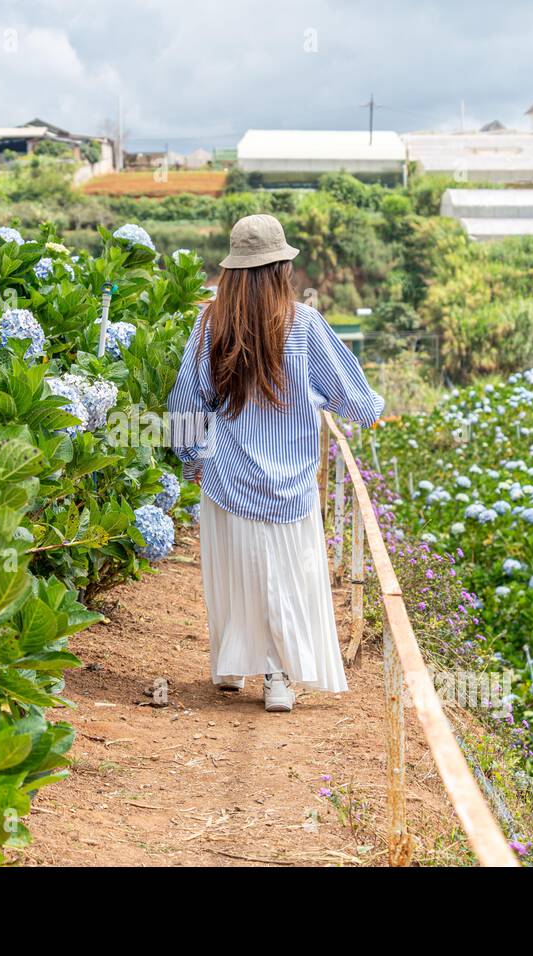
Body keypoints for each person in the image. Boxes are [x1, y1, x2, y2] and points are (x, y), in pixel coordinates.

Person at [168, 214, 384, 713]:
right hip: (291, 483)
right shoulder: (304, 325)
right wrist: (372, 408)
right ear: (280, 268)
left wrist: (193, 459)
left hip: (228, 475)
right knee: (286, 575)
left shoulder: (209, 323)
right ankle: (278, 676)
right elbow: (353, 400)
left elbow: (184, 405)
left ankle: (229, 666)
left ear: (234, 272)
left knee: (235, 576)